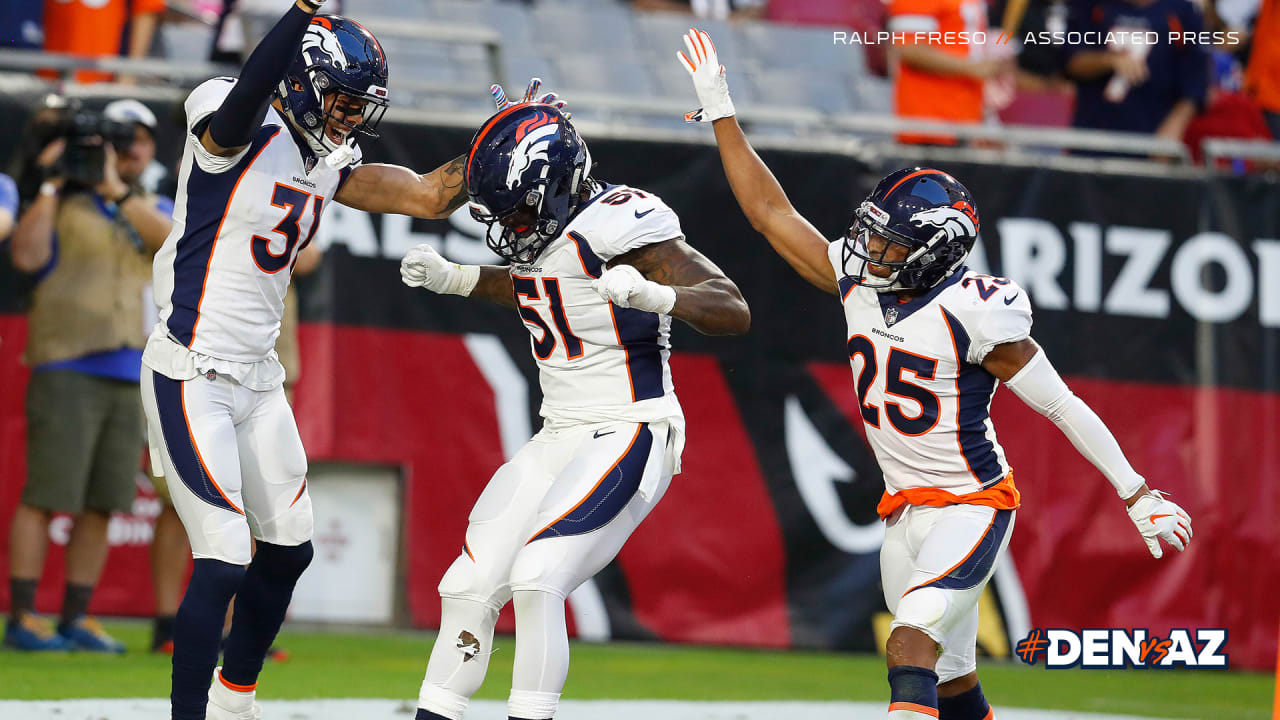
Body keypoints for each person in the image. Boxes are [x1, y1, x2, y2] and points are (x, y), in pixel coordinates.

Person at [678, 28, 1193, 720]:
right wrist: (721, 110)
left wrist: (1136, 494)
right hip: (905, 510)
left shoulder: (976, 313)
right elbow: (772, 215)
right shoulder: (860, 284)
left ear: (933, 252)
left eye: (887, 243)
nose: (866, 250)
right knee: (952, 684)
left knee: (909, 646)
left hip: (971, 506)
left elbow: (1062, 405)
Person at [137, 1, 553, 717]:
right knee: (225, 555)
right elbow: (238, 107)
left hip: (259, 379)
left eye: (361, 105)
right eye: (343, 99)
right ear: (300, 80)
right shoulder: (230, 122)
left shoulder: (323, 157)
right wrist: (300, 13)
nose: (351, 117)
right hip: (190, 368)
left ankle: (235, 699)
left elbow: (426, 196)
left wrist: (504, 137)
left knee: (290, 549)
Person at [399, 102, 750, 720]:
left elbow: (731, 306)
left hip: (633, 425)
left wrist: (659, 294)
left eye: (518, 207)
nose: (510, 224)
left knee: (538, 577)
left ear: (559, 184)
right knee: (469, 585)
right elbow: (540, 284)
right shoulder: (542, 230)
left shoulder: (622, 222)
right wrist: (457, 279)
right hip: (559, 431)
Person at [4, 98, 172, 654]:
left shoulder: (155, 203)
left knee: (107, 499)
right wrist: (51, 183)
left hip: (135, 368)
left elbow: (173, 244)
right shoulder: (56, 200)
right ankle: (25, 616)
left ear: (150, 148)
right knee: (46, 493)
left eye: (136, 138)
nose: (126, 149)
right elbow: (25, 258)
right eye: (113, 140)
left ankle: (78, 616)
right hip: (67, 360)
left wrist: (112, 189)